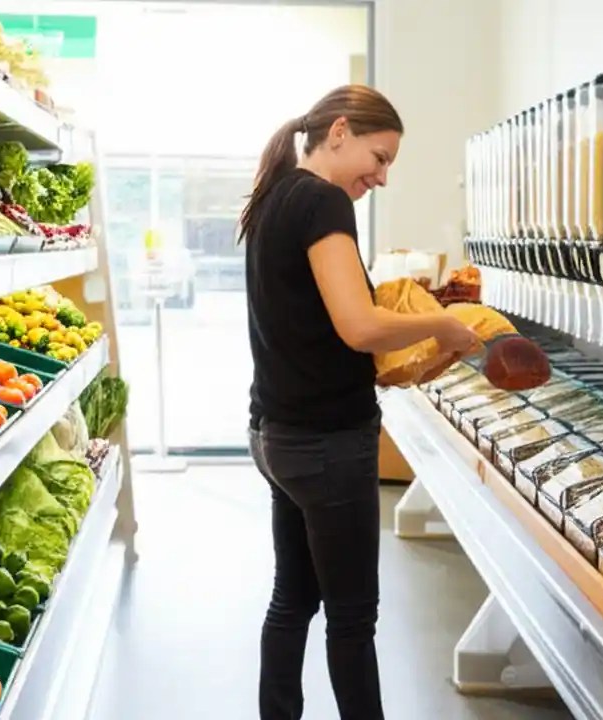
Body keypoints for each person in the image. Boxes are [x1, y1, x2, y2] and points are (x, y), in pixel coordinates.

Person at [241, 84, 480, 720]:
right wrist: (445, 328)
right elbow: (358, 326)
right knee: (352, 617)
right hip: (324, 445)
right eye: (379, 158)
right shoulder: (321, 201)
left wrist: (407, 347)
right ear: (339, 131)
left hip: (274, 431)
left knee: (292, 597)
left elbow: (316, 330)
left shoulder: (274, 197)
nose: (381, 176)